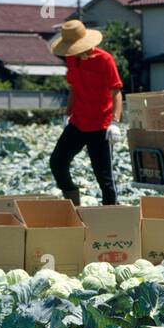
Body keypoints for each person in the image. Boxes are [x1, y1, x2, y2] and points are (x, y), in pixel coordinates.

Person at [47, 19, 123, 206]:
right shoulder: (72, 59)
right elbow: (73, 88)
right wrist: (67, 114)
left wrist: (115, 122)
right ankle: (73, 204)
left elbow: (116, 91)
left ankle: (111, 217)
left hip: (101, 126)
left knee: (104, 177)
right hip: (78, 122)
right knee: (57, 162)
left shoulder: (105, 60)